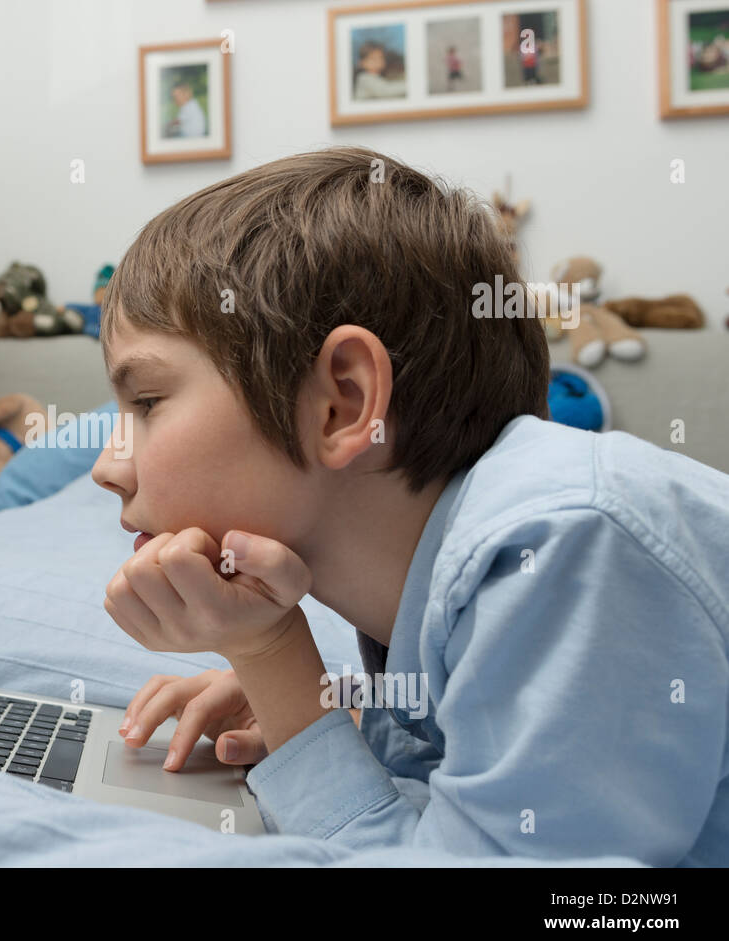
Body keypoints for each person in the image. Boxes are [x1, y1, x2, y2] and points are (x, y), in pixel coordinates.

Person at [89, 146, 729, 865]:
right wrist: (328, 711)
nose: (105, 467)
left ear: (344, 402)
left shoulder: (565, 542)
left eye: (145, 401)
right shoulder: (448, 580)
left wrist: (272, 656)